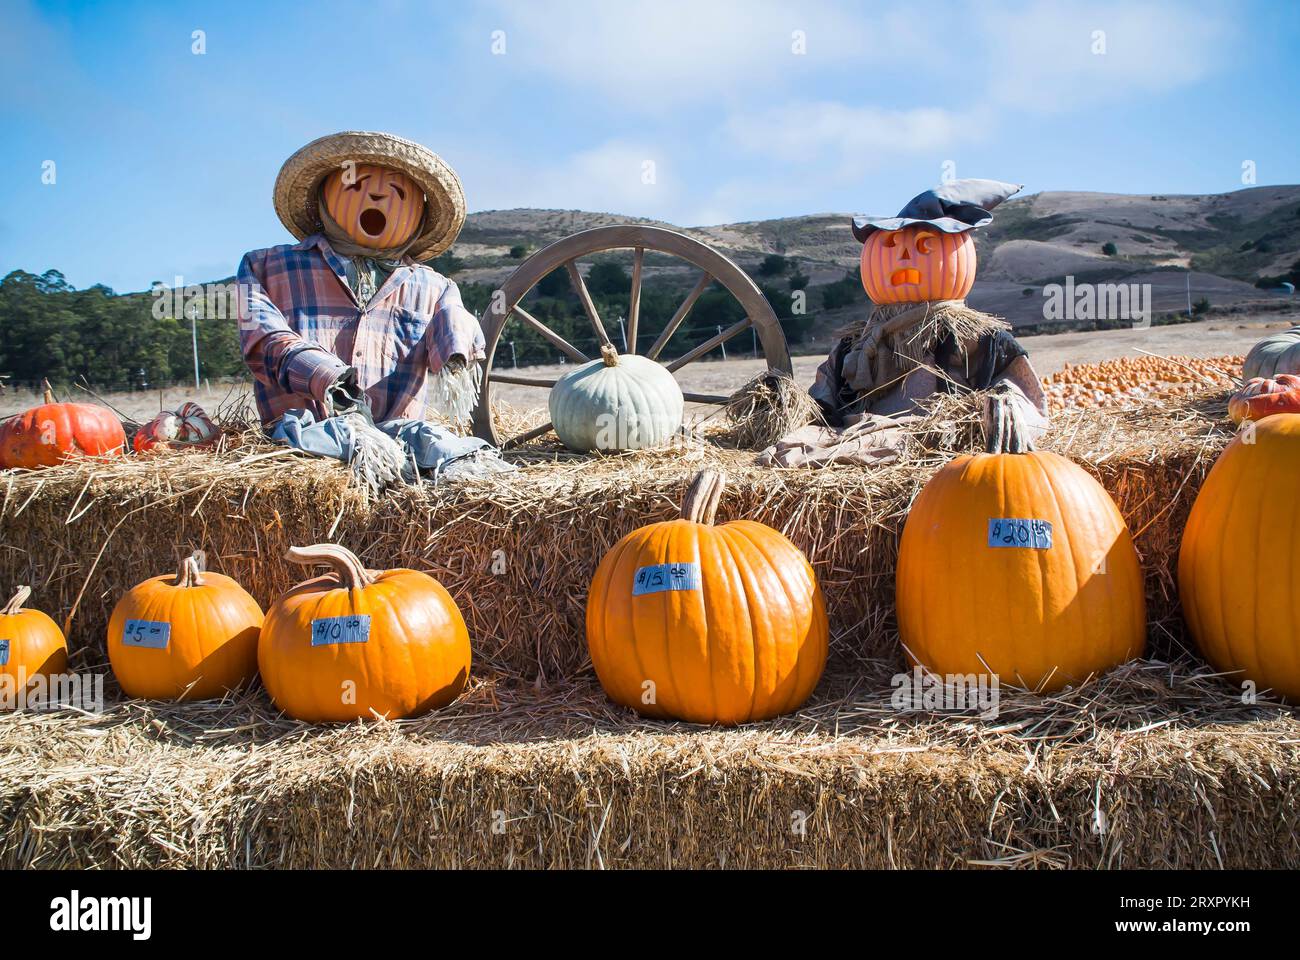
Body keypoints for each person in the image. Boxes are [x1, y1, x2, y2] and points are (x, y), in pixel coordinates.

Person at [237, 131, 500, 482]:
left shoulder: (434, 287)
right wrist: (327, 377)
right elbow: (263, 337)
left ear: (419, 217)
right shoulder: (266, 267)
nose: (377, 195)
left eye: (398, 193)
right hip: (304, 442)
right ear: (324, 198)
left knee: (459, 460)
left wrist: (457, 341)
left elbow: (455, 332)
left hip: (400, 442)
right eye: (357, 184)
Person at [760, 179, 1049, 468]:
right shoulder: (855, 343)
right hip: (858, 431)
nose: (904, 257)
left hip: (934, 443)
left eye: (925, 246)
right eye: (890, 245)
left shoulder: (978, 338)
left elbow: (1024, 399)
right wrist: (783, 403)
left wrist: (1002, 403)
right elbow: (823, 401)